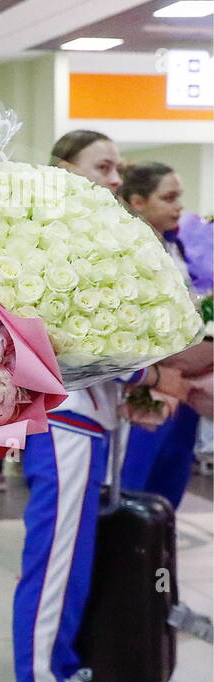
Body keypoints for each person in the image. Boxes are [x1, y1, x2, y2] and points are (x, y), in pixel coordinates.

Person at [9, 130, 138, 682]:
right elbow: (58, 341)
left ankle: (59, 675)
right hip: (62, 426)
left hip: (90, 427)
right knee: (53, 575)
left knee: (75, 569)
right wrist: (142, 366)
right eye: (103, 166)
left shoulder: (91, 239)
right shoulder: (44, 244)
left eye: (120, 167)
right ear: (65, 171)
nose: (116, 178)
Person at [117, 162, 206, 510]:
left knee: (170, 487)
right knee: (135, 487)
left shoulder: (177, 248)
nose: (178, 207)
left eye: (179, 198)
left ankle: (158, 560)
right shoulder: (125, 252)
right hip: (147, 385)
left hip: (183, 384)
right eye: (168, 198)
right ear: (138, 201)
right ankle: (128, 560)